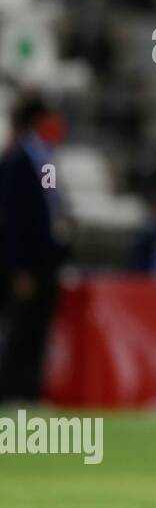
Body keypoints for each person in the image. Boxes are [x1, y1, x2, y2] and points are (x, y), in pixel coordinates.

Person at [0, 94, 69, 404]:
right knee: (21, 331)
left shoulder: (45, 159)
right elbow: (12, 220)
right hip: (27, 265)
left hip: (45, 262)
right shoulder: (16, 161)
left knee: (38, 330)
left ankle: (30, 393)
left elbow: (50, 210)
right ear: (38, 120)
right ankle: (13, 393)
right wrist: (19, 268)